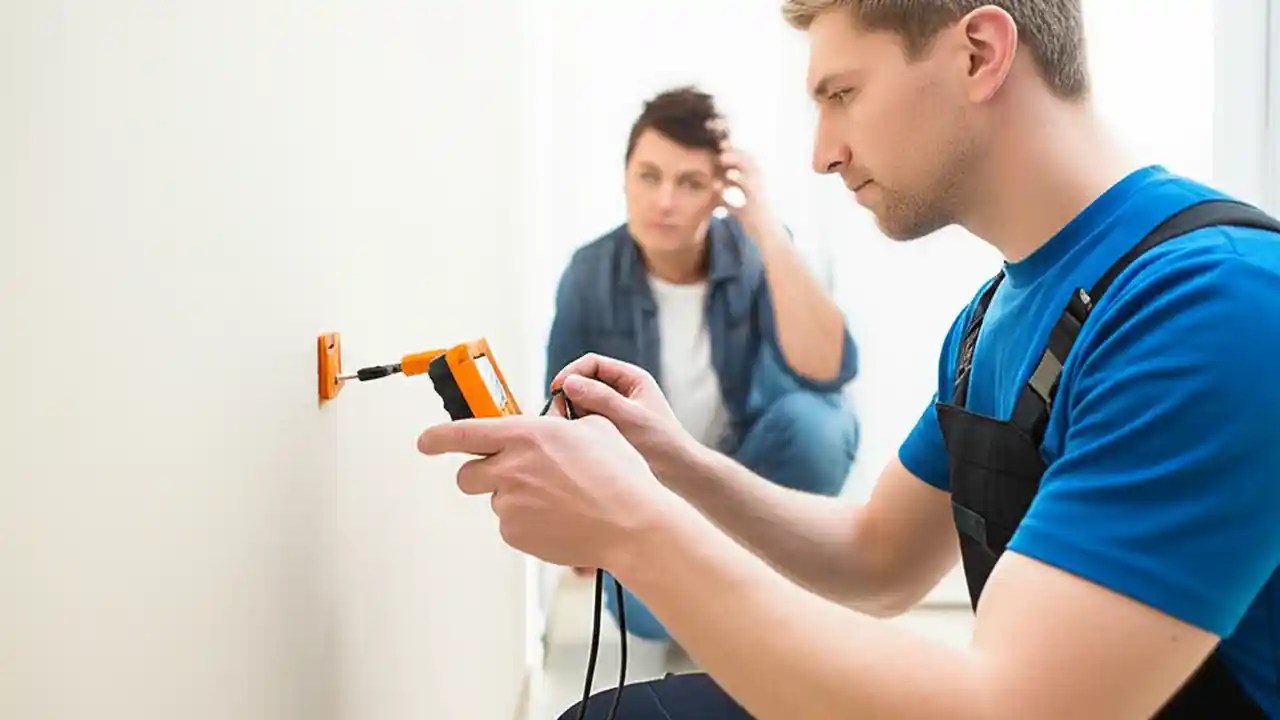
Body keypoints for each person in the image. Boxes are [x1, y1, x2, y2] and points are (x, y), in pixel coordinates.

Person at [419, 1, 1280, 717]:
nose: (822, 152)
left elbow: (1019, 710)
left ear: (978, 54)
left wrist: (634, 526)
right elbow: (876, 561)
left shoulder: (1214, 305)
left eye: (842, 93)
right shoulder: (992, 316)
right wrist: (674, 462)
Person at [545, 87, 860, 640]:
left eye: (689, 183)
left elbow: (828, 369)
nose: (664, 201)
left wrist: (764, 227)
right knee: (647, 612)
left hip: (744, 492)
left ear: (719, 192)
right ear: (624, 178)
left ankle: (741, 598)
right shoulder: (590, 274)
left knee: (819, 424)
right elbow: (559, 413)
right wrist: (578, 525)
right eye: (649, 176)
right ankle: (754, 600)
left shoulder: (751, 253)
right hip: (654, 510)